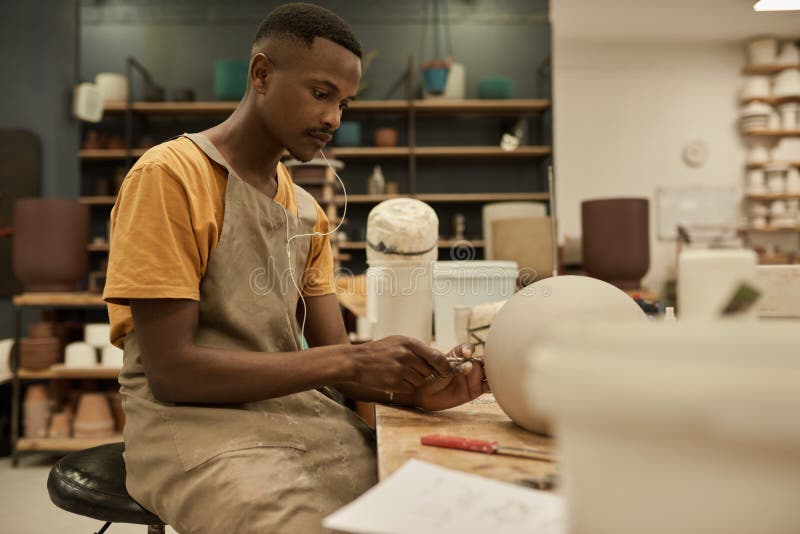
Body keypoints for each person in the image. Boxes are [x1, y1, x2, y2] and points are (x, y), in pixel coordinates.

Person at [103, 3, 488, 533]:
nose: (334, 118)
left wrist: (415, 388)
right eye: (321, 93)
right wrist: (353, 364)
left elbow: (336, 356)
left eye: (344, 103)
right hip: (188, 428)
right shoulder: (171, 177)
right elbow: (172, 374)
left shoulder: (305, 210)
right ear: (261, 74)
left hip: (293, 417)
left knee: (423, 503)